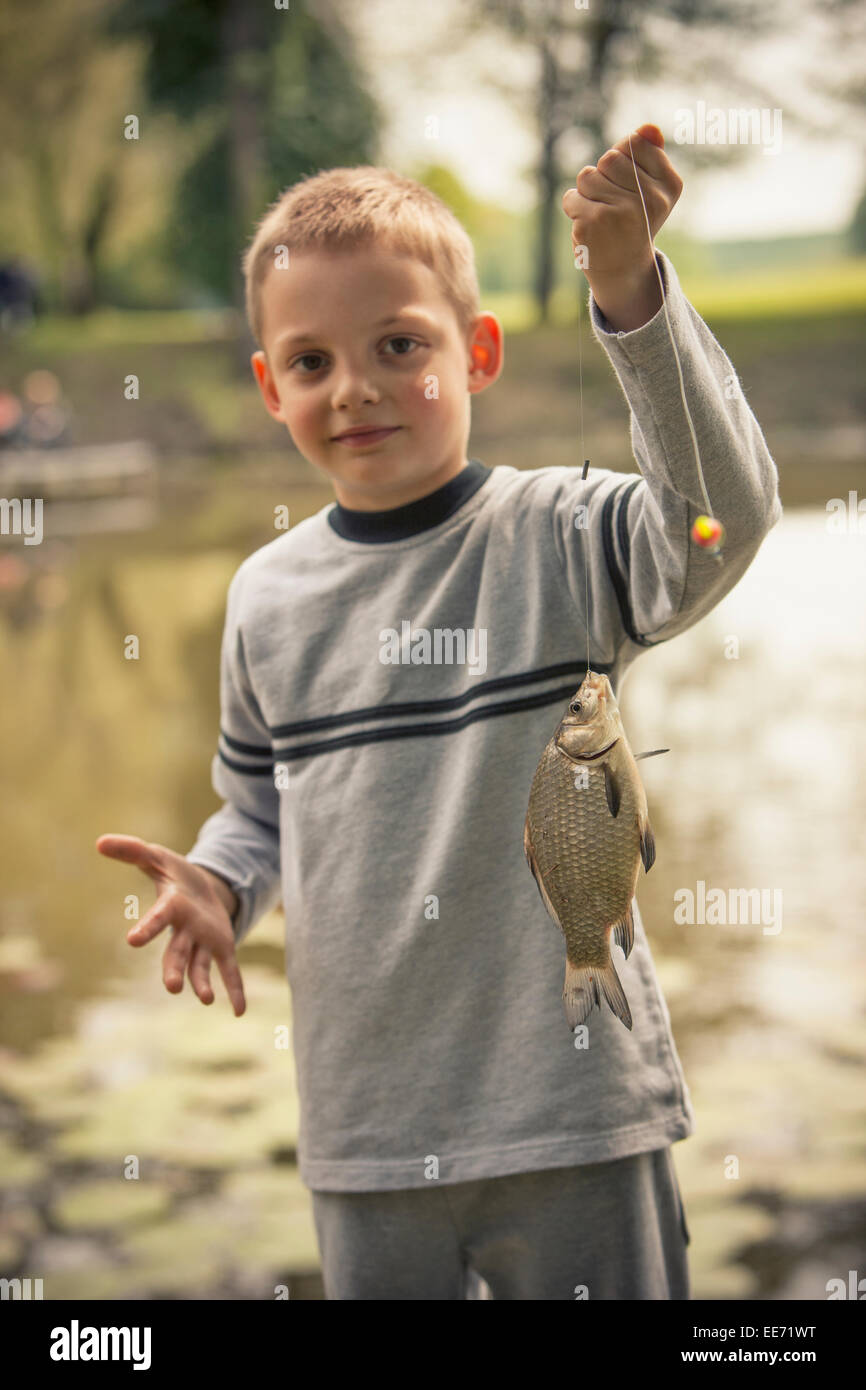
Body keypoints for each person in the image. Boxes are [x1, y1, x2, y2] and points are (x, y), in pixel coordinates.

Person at [97, 123, 782, 1299]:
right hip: (365, 1132)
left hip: (574, 1113)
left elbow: (720, 518)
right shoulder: (264, 596)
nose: (354, 386)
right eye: (309, 362)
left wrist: (628, 295)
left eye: (397, 344)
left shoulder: (562, 535)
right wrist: (215, 882)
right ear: (269, 388)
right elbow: (256, 808)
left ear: (475, 353)